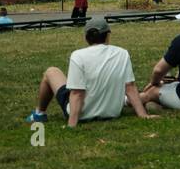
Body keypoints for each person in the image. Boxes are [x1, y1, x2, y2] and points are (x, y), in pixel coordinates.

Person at [25, 16, 153, 127]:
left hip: (82, 114)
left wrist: (72, 124)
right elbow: (130, 87)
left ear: (86, 37)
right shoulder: (122, 53)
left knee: (51, 72)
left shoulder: (78, 56)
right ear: (107, 35)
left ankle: (39, 114)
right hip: (112, 112)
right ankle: (133, 100)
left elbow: (77, 93)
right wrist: (143, 115)